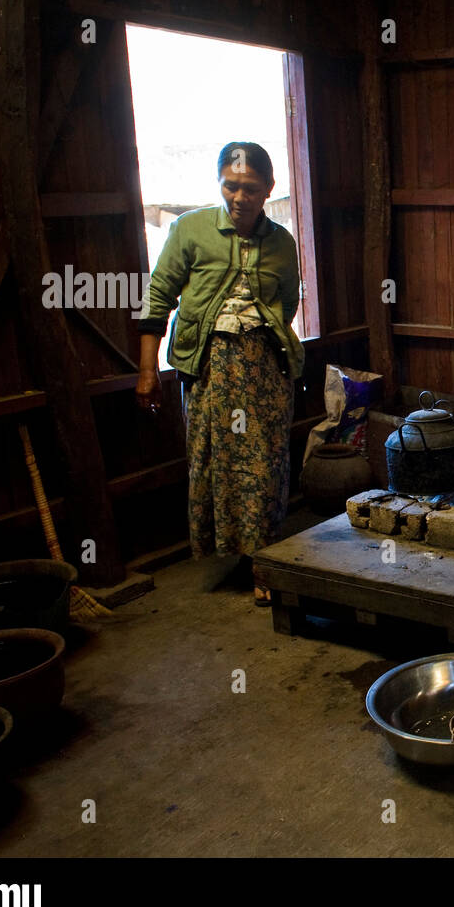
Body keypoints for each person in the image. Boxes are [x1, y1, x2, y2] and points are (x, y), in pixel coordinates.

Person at [135, 142, 303, 606]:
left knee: (266, 465)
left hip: (265, 370)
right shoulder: (190, 231)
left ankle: (264, 563)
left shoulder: (281, 242)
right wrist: (148, 370)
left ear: (268, 189)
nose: (239, 197)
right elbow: (158, 300)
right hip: (209, 370)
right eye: (231, 186)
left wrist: (259, 338)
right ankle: (234, 553)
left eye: (250, 188)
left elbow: (288, 303)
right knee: (218, 463)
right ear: (219, 184)